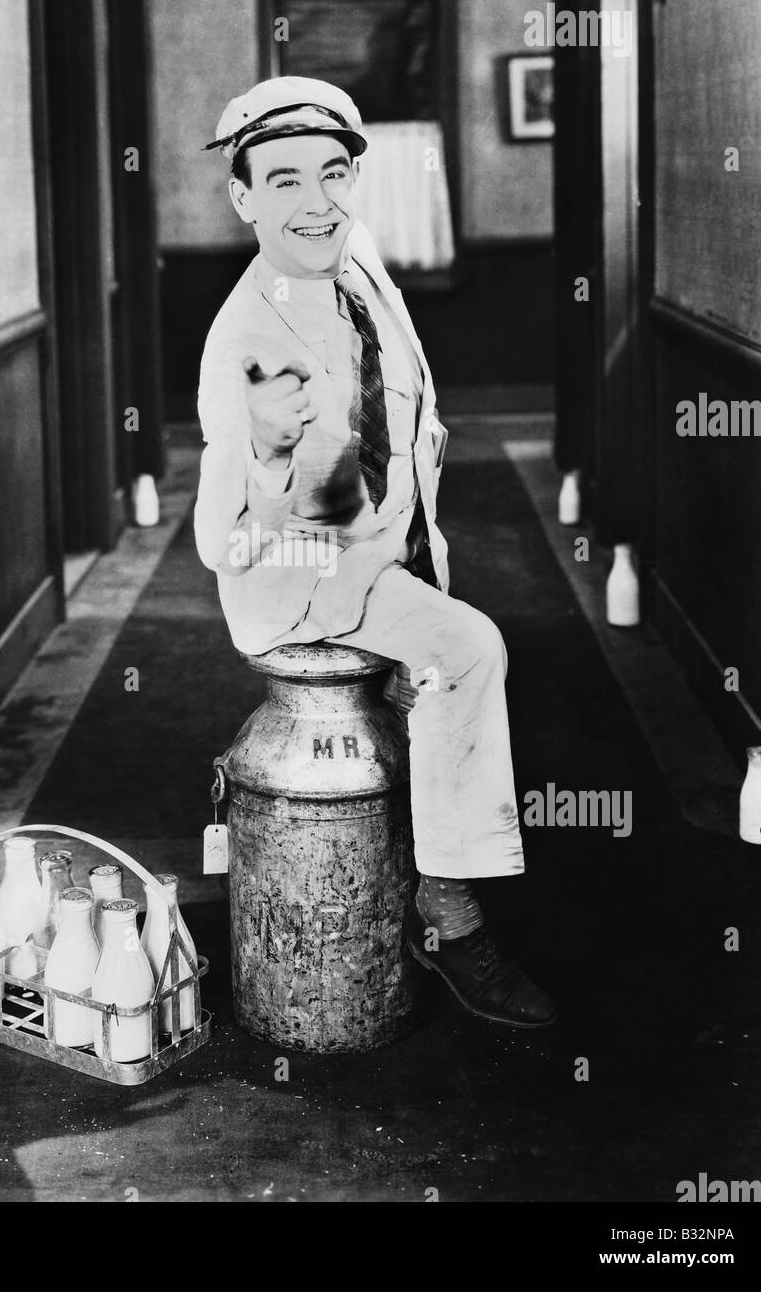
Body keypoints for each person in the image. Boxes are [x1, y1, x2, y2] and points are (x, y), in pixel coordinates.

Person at [194, 76, 556, 1028]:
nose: (316, 203)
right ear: (241, 198)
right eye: (283, 182)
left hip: (395, 542)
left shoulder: (351, 257)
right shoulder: (246, 339)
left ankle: (402, 881)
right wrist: (268, 458)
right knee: (467, 648)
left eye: (333, 174)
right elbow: (220, 542)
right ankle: (451, 919)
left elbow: (401, 418)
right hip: (307, 578)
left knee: (431, 686)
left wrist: (406, 541)